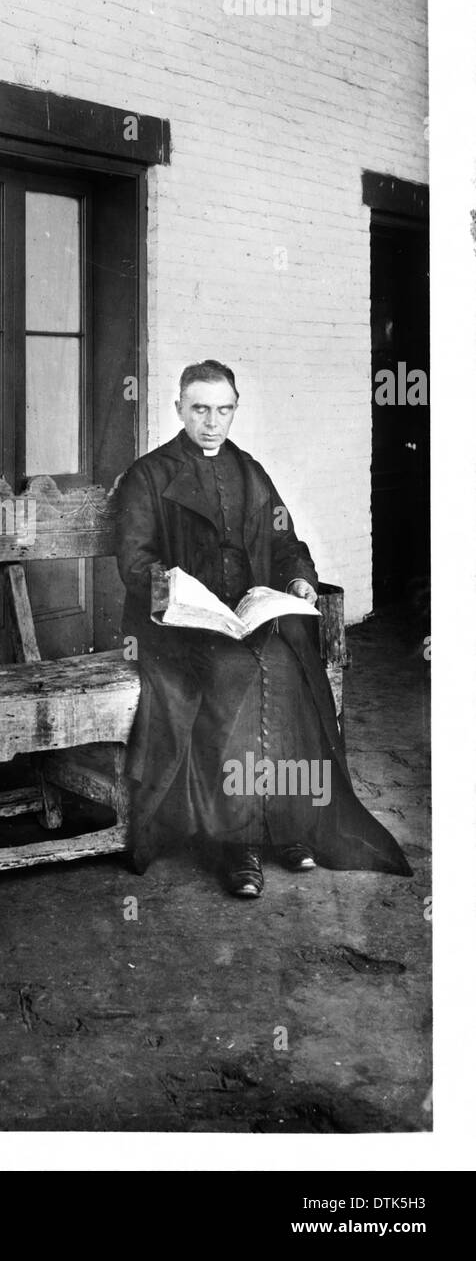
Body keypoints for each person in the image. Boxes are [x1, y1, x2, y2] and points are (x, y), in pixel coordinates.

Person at [114, 359, 412, 896]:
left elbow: (285, 543)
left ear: (234, 411)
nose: (212, 422)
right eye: (200, 409)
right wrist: (183, 596)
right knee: (235, 676)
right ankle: (235, 844)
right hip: (177, 628)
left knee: (289, 663)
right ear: (178, 407)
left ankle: (284, 825)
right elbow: (136, 564)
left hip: (245, 619)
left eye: (223, 410)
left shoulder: (250, 471)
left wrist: (299, 581)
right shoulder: (148, 476)